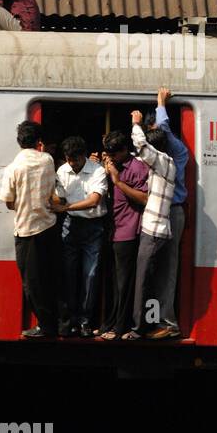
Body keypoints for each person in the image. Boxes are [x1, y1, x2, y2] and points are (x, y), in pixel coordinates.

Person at [0, 120, 57, 338]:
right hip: (49, 226)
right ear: (38, 142)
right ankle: (55, 322)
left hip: (27, 230)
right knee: (49, 277)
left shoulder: (14, 168)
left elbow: (7, 201)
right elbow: (51, 190)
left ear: (19, 141)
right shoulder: (48, 160)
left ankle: (46, 327)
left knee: (32, 282)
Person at [126, 111, 178, 340]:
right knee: (152, 279)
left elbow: (140, 144)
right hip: (158, 229)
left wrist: (135, 123)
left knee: (143, 280)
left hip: (153, 230)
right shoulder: (167, 164)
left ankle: (139, 329)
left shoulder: (162, 161)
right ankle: (151, 323)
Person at [51, 136, 109, 337]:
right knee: (68, 274)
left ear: (84, 156)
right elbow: (59, 196)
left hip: (93, 227)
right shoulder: (62, 170)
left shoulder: (98, 170)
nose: (72, 163)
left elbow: (94, 201)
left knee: (90, 275)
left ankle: (84, 321)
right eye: (68, 159)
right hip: (70, 225)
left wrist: (66, 207)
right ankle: (69, 320)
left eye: (75, 159)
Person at [96, 130, 149, 341]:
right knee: (112, 282)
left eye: (114, 155)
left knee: (124, 283)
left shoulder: (137, 168)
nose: (110, 158)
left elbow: (143, 198)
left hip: (127, 231)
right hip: (111, 230)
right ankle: (109, 322)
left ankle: (120, 327)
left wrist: (118, 182)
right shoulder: (111, 165)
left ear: (125, 150)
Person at [148, 87, 190, 339]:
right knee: (160, 266)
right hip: (167, 211)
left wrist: (160, 102)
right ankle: (158, 318)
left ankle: (168, 322)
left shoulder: (172, 150)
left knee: (166, 267)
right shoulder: (176, 152)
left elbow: (162, 128)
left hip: (171, 211)